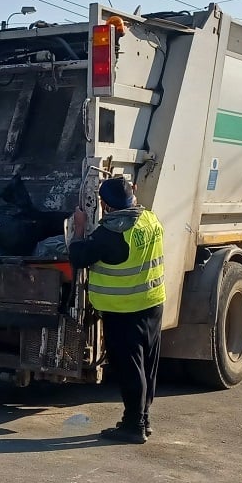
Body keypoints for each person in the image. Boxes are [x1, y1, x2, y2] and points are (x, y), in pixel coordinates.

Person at [68, 176, 165, 445]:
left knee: (129, 367)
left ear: (105, 204)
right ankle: (143, 419)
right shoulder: (150, 220)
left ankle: (134, 426)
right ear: (133, 197)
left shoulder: (111, 234)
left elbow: (79, 257)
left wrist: (78, 230)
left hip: (124, 310)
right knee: (147, 365)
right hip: (153, 303)